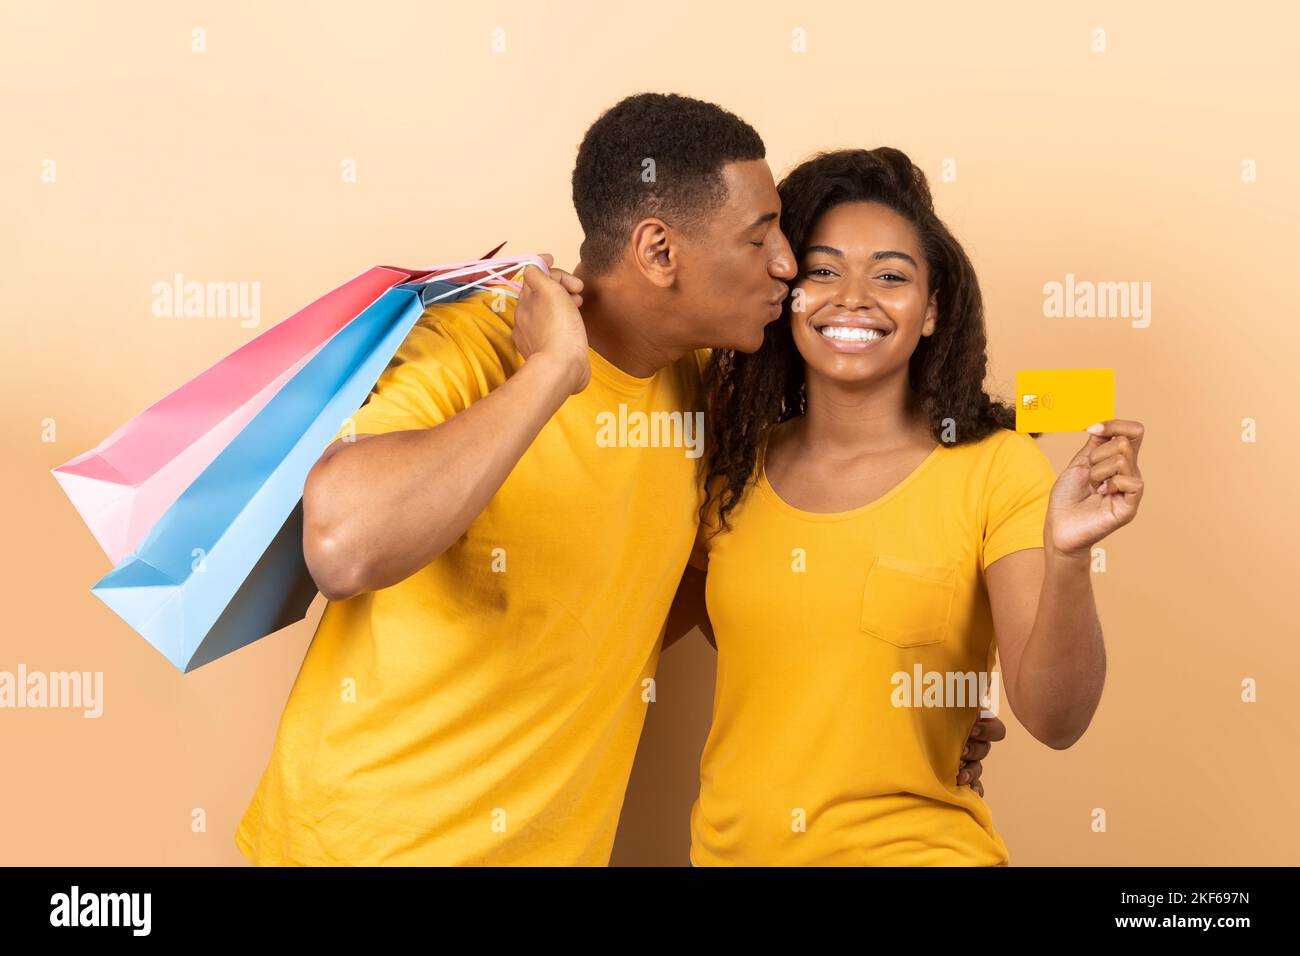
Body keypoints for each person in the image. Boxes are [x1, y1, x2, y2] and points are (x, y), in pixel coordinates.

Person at [235, 94, 997, 865]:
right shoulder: (474, 345)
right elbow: (341, 545)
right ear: (659, 252)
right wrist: (552, 373)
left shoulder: (701, 396)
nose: (787, 266)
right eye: (761, 238)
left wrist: (905, 720)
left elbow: (718, 583)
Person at [672, 147, 1146, 866]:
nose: (853, 296)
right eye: (823, 270)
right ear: (786, 297)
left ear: (931, 313)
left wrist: (1070, 557)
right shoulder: (732, 469)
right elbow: (758, 638)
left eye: (891, 275)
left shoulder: (996, 467)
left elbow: (1055, 719)